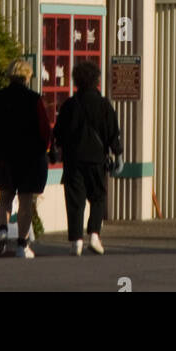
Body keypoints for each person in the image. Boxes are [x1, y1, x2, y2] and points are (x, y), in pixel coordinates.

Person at [52, 60, 123, 255]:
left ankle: (76, 240)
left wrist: (56, 150)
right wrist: (117, 154)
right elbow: (112, 133)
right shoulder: (103, 105)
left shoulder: (69, 105)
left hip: (73, 160)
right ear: (96, 80)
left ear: (77, 81)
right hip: (97, 160)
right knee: (98, 197)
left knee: (75, 200)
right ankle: (94, 234)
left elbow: (58, 133)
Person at [0, 58, 51, 259]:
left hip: (4, 156)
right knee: (26, 202)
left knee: (4, 198)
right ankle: (22, 245)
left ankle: (2, 230)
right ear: (27, 77)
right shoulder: (34, 99)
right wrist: (43, 149)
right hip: (30, 158)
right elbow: (45, 129)